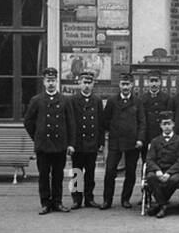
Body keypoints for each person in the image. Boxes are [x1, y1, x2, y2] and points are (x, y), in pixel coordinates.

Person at [23, 68, 76, 214]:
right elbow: (28, 122)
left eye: (53, 80)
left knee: (58, 175)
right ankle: (45, 203)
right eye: (48, 81)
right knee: (44, 175)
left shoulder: (65, 100)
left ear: (57, 81)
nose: (51, 84)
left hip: (60, 146)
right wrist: (37, 137)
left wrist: (71, 144)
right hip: (43, 146)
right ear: (44, 82)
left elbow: (71, 123)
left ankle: (57, 202)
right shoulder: (36, 100)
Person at [101, 72, 145, 209]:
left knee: (131, 172)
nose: (125, 87)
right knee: (110, 171)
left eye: (128, 84)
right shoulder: (112, 101)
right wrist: (114, 132)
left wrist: (140, 139)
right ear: (119, 85)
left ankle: (125, 199)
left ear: (132, 85)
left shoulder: (137, 102)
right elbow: (105, 120)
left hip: (132, 143)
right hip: (116, 142)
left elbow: (142, 122)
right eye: (123, 84)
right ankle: (107, 200)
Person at [68, 71, 104, 209]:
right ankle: (77, 199)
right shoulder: (73, 100)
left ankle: (89, 198)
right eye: (84, 83)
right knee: (77, 172)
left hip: (92, 143)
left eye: (89, 83)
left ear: (93, 84)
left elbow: (101, 124)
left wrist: (101, 142)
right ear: (79, 83)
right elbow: (71, 123)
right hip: (78, 144)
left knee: (90, 173)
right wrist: (71, 143)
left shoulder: (97, 101)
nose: (87, 86)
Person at [144, 111, 179, 218]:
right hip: (158, 169)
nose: (167, 126)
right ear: (160, 126)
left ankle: (159, 205)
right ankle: (163, 205)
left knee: (174, 180)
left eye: (169, 124)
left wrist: (169, 173)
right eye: (164, 124)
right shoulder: (155, 141)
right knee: (150, 177)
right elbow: (150, 159)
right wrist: (157, 170)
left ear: (173, 125)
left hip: (174, 170)